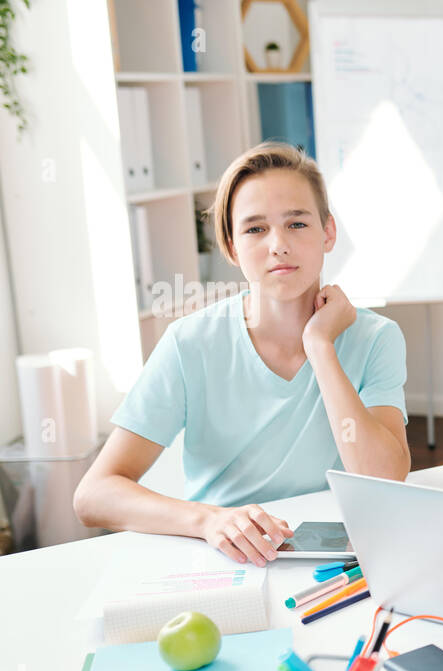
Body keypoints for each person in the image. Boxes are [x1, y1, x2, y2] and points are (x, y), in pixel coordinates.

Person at [75, 142, 410, 567]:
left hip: (331, 557)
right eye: (255, 229)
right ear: (232, 248)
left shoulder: (376, 337)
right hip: (220, 558)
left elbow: (382, 479)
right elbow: (94, 495)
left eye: (297, 223)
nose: (278, 245)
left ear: (328, 233)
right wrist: (209, 521)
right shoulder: (190, 342)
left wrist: (320, 347)